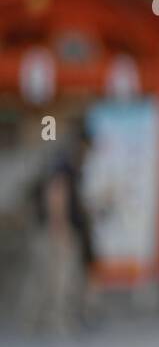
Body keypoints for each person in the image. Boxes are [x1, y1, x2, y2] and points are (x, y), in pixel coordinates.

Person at [20, 118, 99, 335]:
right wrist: (60, 226)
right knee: (58, 278)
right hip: (55, 229)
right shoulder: (65, 162)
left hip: (52, 227)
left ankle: (35, 323)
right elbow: (57, 194)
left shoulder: (66, 161)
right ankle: (53, 323)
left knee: (46, 275)